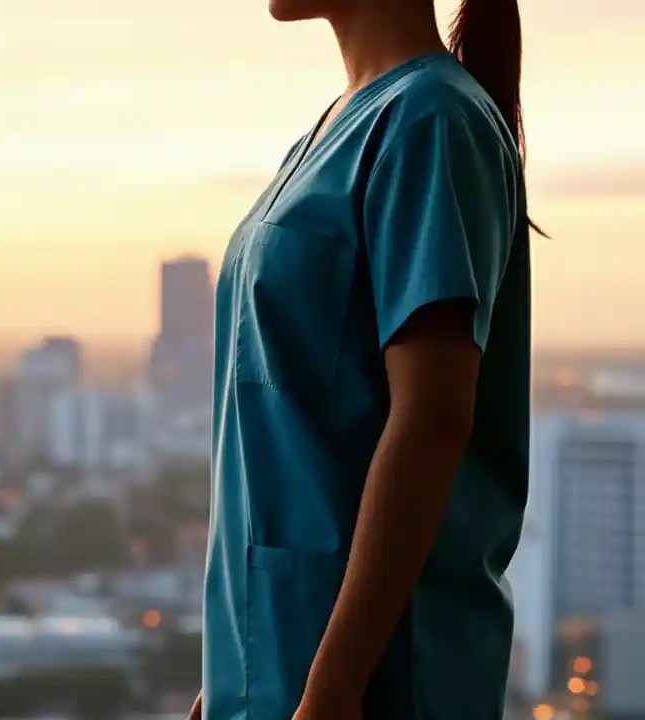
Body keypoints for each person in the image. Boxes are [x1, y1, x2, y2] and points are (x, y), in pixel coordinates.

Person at [190, 0, 534, 717]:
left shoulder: (432, 120)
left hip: (375, 681)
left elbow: (432, 419)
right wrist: (235, 670)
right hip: (282, 663)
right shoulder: (329, 132)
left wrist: (331, 691)